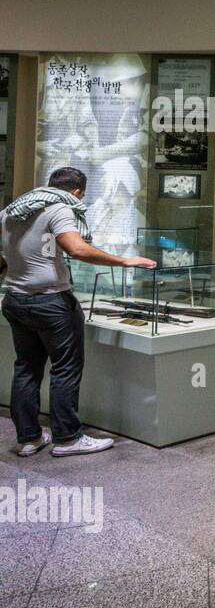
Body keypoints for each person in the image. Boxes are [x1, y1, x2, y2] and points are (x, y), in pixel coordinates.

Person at [0, 167, 156, 457]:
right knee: (65, 370)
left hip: (15, 299)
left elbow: (6, 253)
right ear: (76, 191)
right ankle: (67, 439)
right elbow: (77, 249)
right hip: (50, 302)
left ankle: (29, 439)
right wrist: (125, 261)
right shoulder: (59, 208)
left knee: (26, 368)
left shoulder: (13, 210)